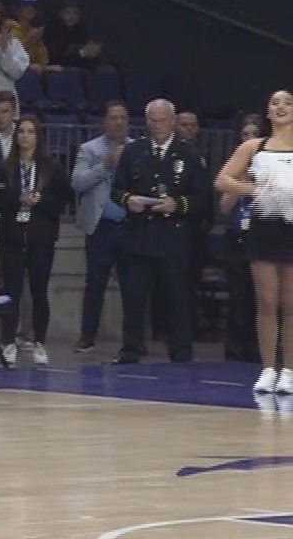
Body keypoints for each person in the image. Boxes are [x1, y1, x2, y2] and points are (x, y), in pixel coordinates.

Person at [111, 98, 205, 365]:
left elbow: (202, 199)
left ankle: (181, 352)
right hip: (139, 235)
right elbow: (117, 189)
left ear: (173, 122)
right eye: (153, 120)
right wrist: (127, 200)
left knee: (176, 299)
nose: (158, 125)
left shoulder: (189, 155)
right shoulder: (133, 151)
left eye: (163, 120)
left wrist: (177, 205)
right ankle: (130, 349)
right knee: (134, 298)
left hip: (172, 237)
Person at [218, 94, 293, 392]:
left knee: (291, 305)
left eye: (287, 102)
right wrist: (253, 188)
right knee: (266, 303)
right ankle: (267, 369)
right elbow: (222, 180)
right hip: (264, 230)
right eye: (275, 102)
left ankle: (288, 370)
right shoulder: (254, 147)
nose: (281, 106)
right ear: (268, 111)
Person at [0, 114, 68, 367]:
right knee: (11, 291)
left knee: (38, 291)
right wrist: (17, 199)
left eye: (30, 131)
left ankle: (39, 343)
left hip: (40, 237)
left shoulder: (51, 167)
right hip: (11, 236)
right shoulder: (6, 167)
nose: (24, 136)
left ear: (38, 136)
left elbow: (61, 202)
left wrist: (40, 201)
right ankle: (9, 342)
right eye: (20, 131)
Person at [70, 100, 129, 354]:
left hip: (130, 227)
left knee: (133, 285)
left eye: (123, 118)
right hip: (100, 227)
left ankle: (133, 339)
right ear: (104, 121)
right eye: (113, 118)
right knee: (95, 283)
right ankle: (87, 336)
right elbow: (78, 183)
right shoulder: (88, 149)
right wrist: (105, 165)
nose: (118, 123)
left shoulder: (138, 149)